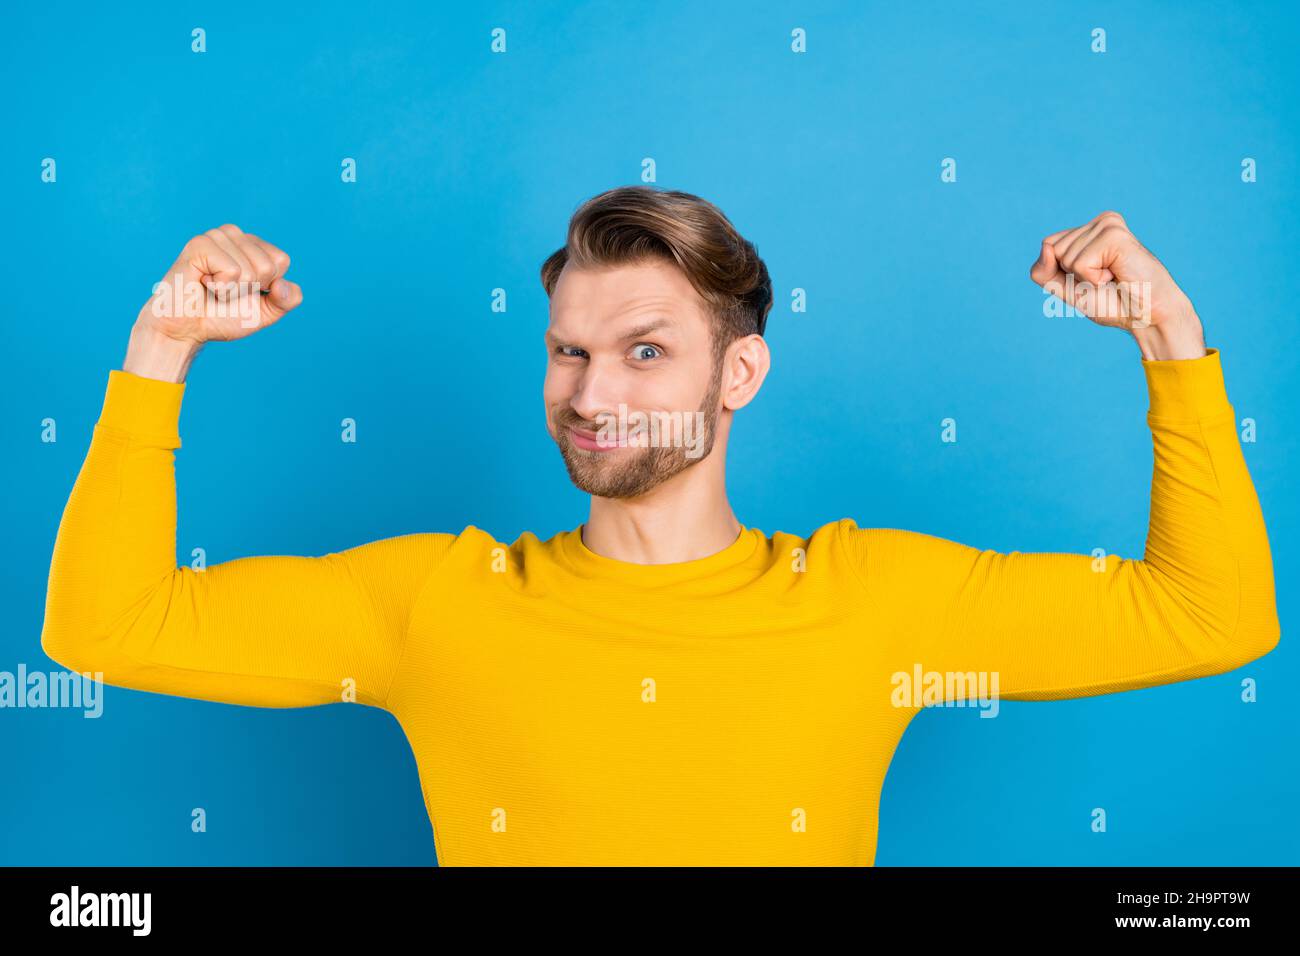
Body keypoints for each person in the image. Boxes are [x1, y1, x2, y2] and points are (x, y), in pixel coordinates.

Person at [40, 186, 1280, 865]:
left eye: (644, 351)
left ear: (736, 377)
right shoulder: (437, 602)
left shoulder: (876, 603)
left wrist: (1169, 340)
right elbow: (102, 629)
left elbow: (1211, 616)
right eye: (569, 352)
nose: (592, 394)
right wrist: (161, 350)